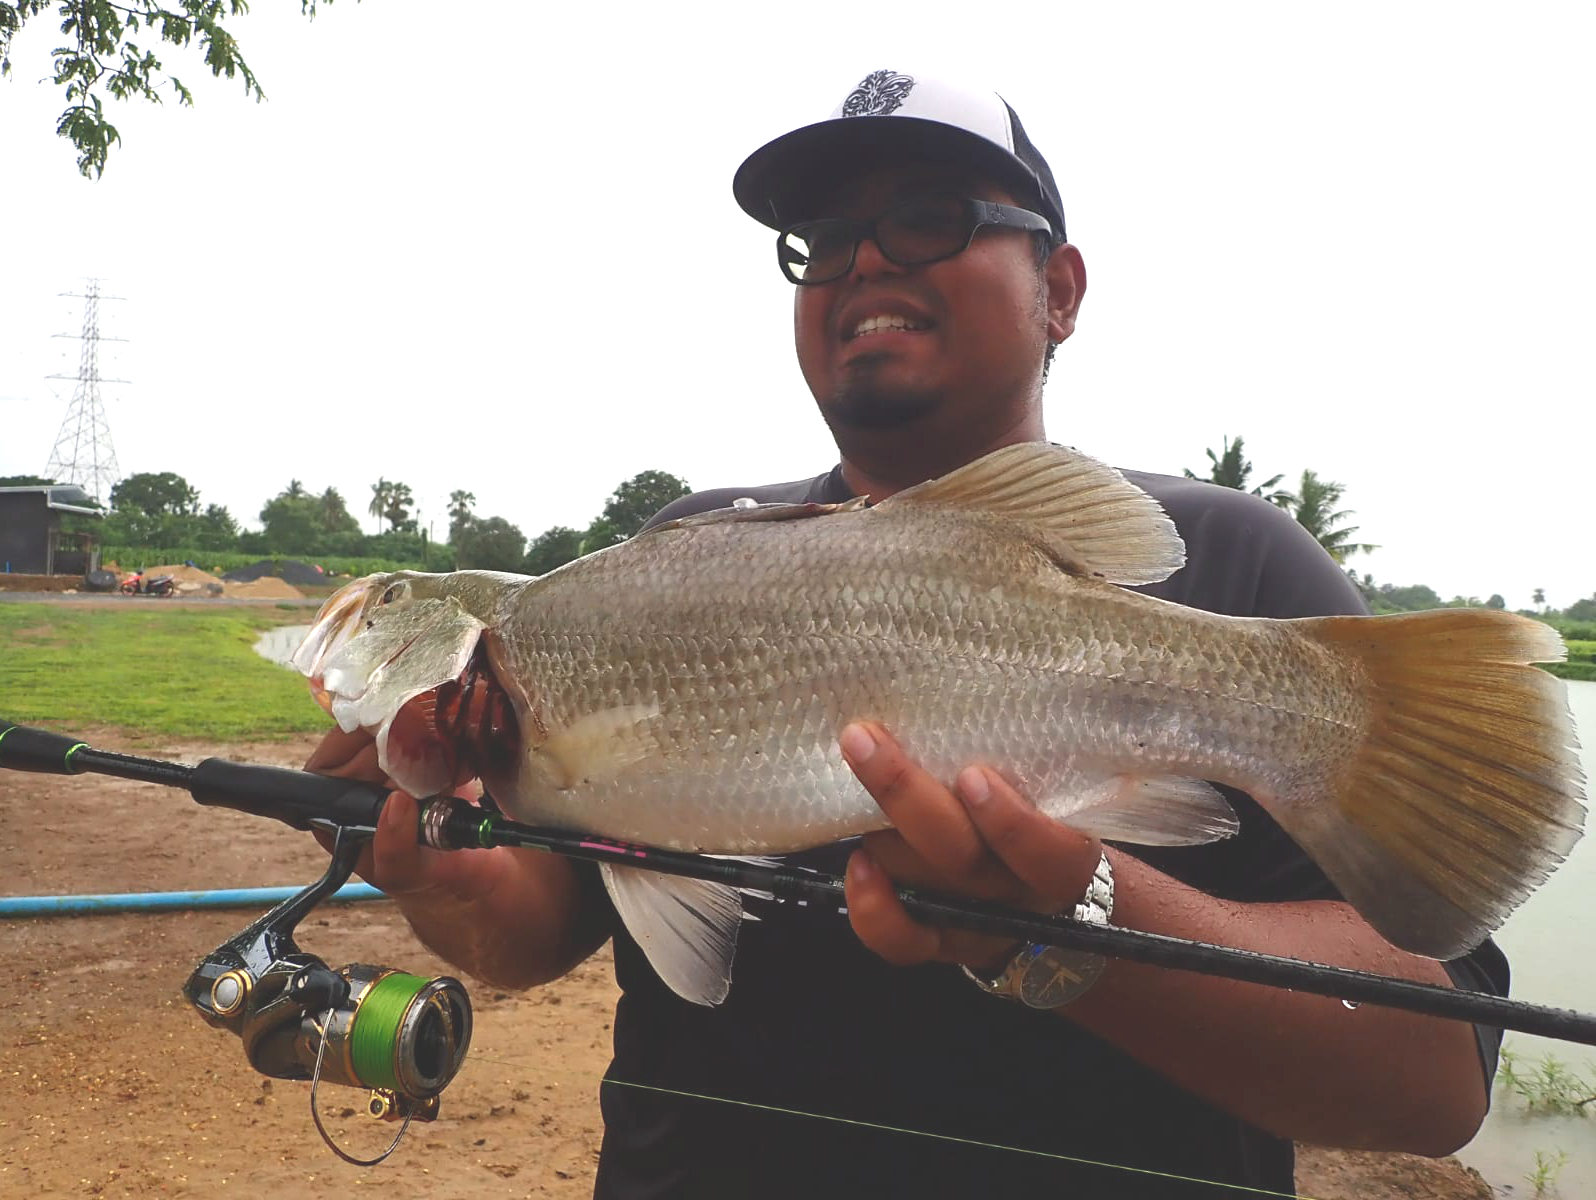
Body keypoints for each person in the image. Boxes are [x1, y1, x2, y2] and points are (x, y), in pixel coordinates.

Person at [308, 69, 1506, 1198]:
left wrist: (1082, 915)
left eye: (929, 216)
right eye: (821, 242)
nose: (861, 260)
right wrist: (440, 872)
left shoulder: (1232, 563)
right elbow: (538, 931)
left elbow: (1439, 1078)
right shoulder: (672, 556)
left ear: (1064, 289)